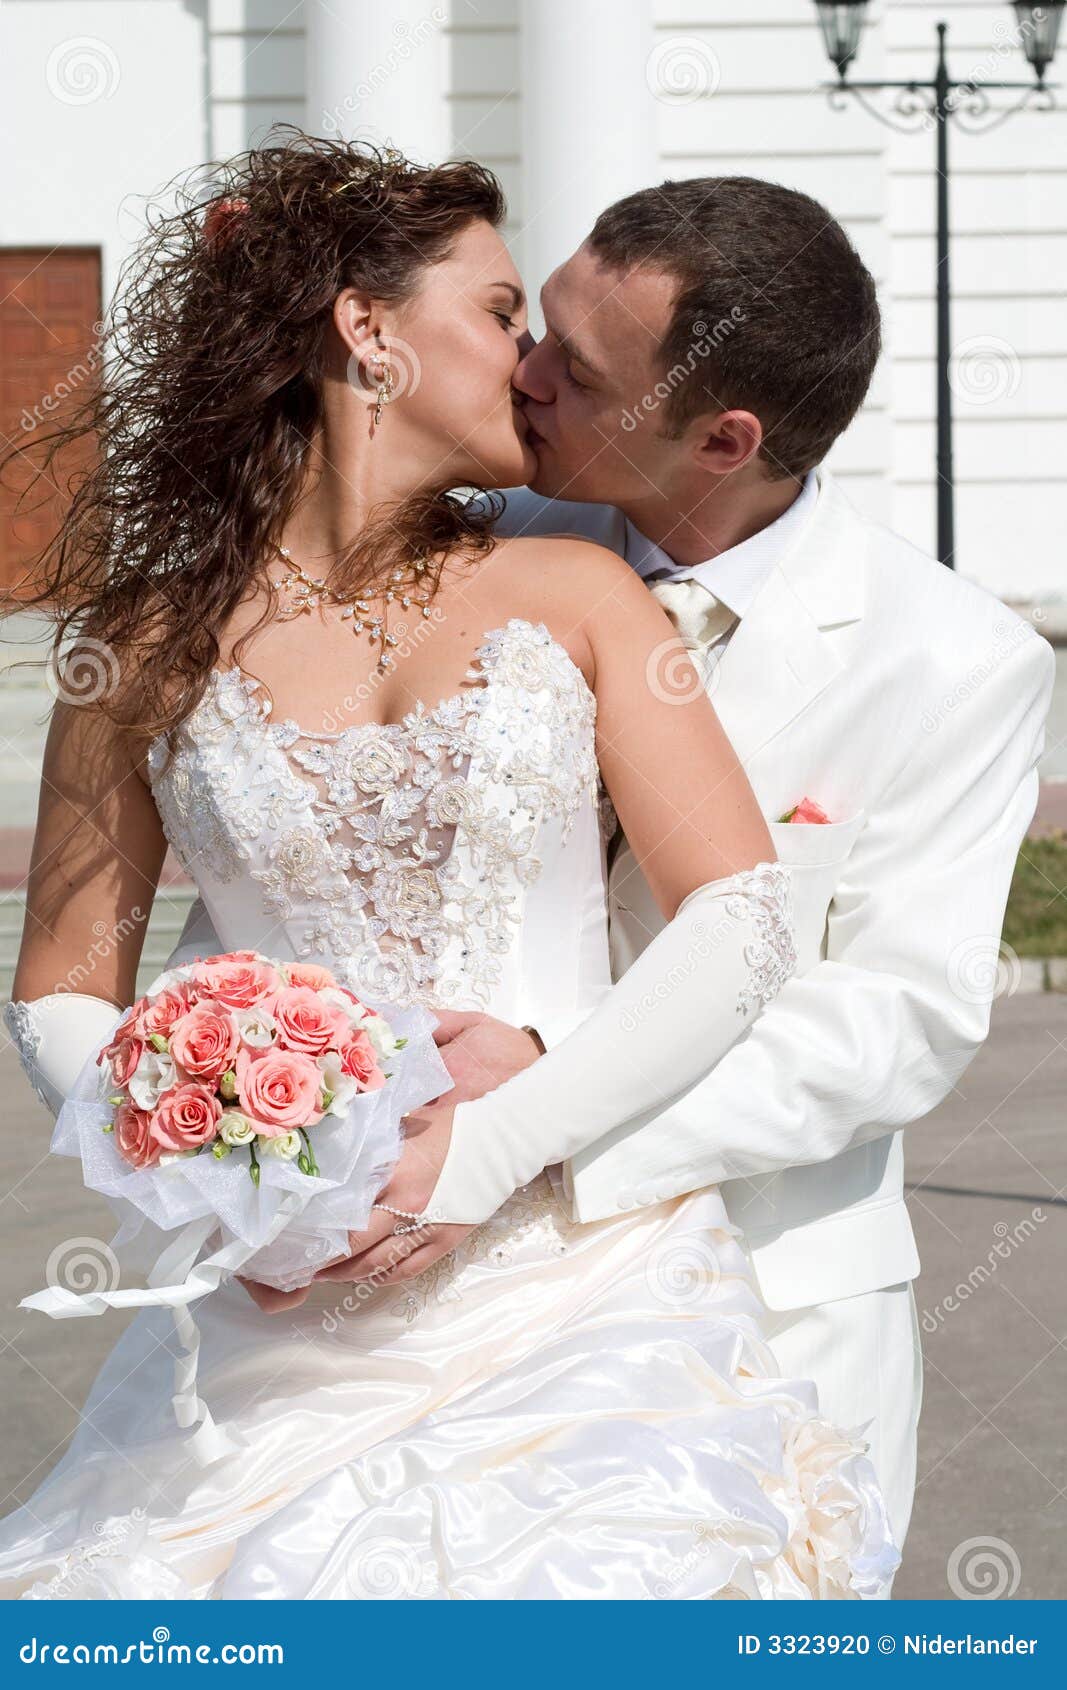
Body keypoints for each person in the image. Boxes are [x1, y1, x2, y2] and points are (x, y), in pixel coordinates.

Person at [0, 133, 896, 1600]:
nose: (534, 361)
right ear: (368, 330)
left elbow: (740, 921)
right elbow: (59, 993)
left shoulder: (581, 588)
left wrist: (485, 1152)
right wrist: (227, 1170)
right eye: (498, 312)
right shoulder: (144, 646)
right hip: (284, 1304)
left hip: (581, 1285)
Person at [179, 174, 1054, 1553]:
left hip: (771, 1304)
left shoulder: (952, 658)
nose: (521, 374)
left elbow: (897, 1021)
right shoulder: (481, 548)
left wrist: (536, 1120)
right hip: (416, 1312)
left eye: (575, 370)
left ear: (723, 436)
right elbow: (292, 842)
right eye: (534, 324)